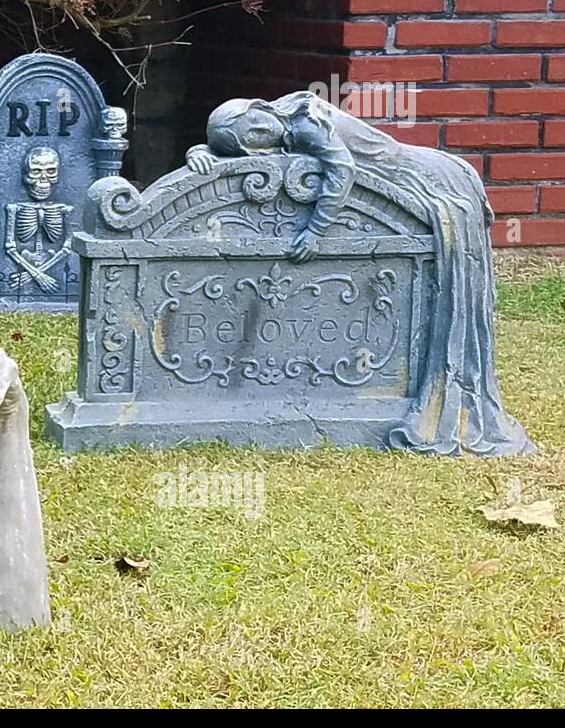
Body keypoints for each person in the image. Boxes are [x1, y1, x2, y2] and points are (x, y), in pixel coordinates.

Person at [186, 92, 534, 458]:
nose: (261, 128)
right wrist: (200, 153)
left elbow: (343, 169)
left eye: (255, 119)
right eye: (252, 136)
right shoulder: (285, 130)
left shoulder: (304, 121)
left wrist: (315, 231)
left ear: (258, 105)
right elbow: (245, 157)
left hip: (420, 177)